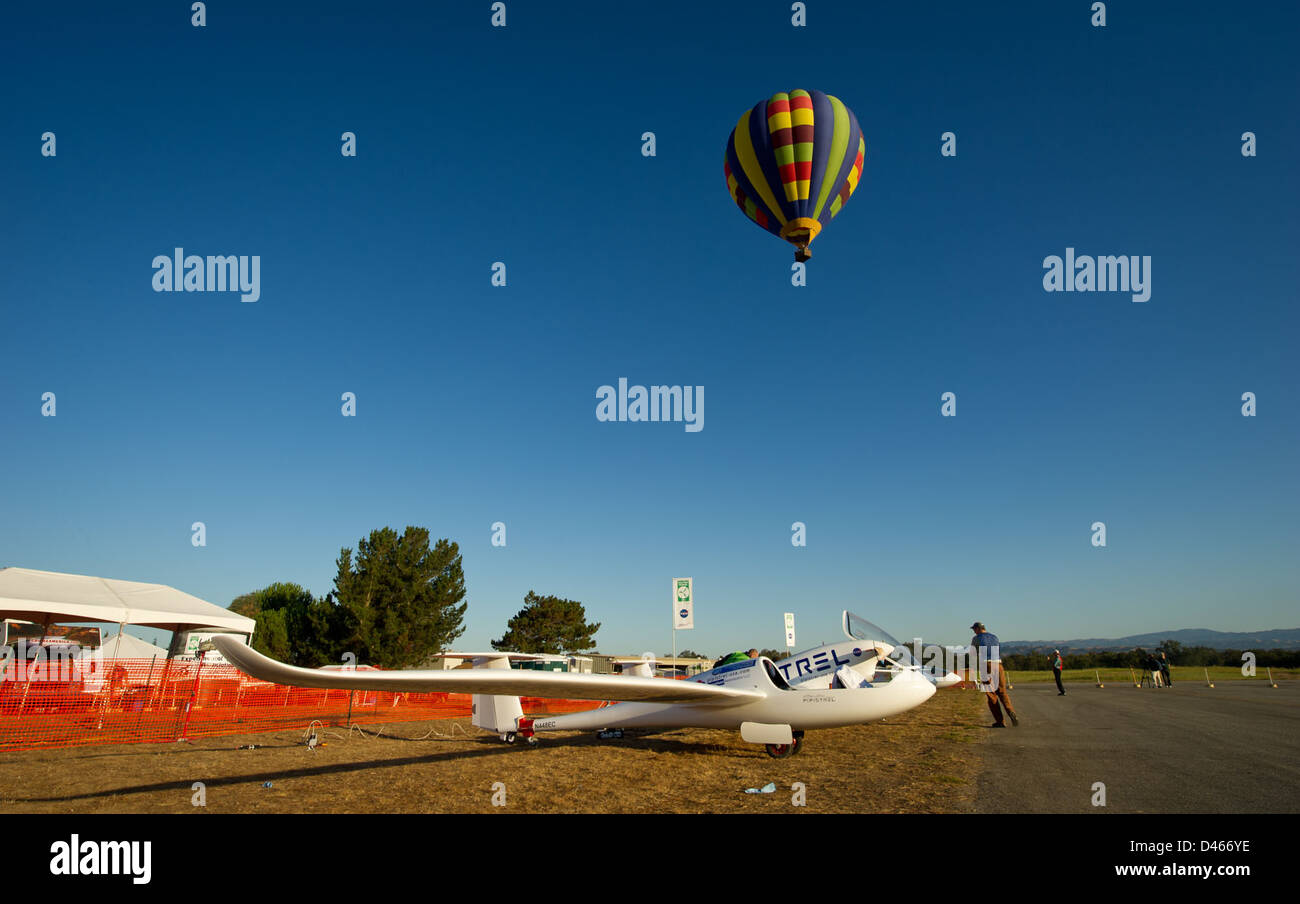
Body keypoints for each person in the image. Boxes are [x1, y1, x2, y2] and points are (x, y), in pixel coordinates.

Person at [969, 622, 1018, 727]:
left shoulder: (976, 638)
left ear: (978, 629)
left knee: (991, 694)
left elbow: (972, 653)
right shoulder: (995, 637)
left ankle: (1000, 721)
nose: (974, 631)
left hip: (986, 665)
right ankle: (1010, 711)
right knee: (1002, 691)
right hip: (998, 664)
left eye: (974, 629)